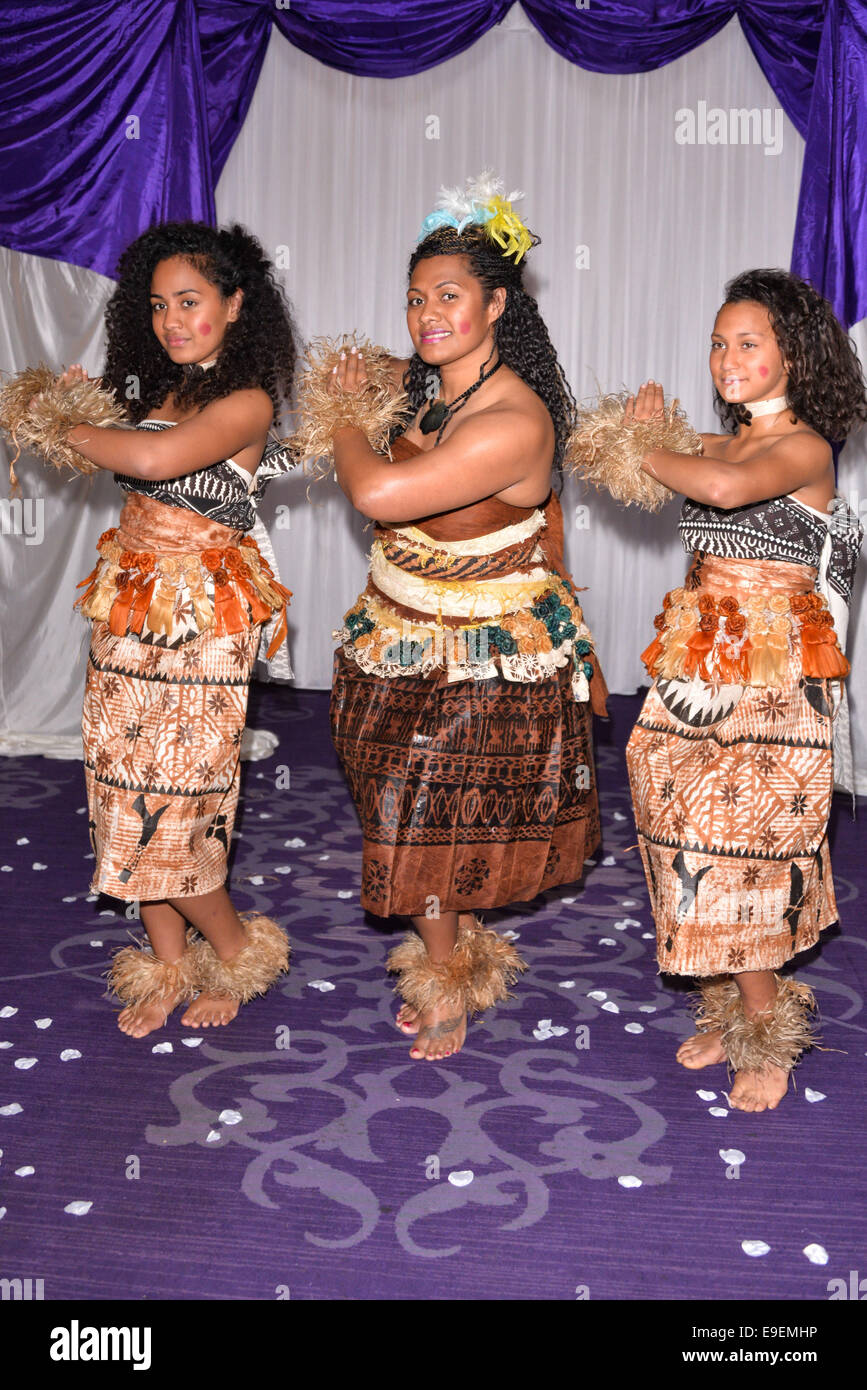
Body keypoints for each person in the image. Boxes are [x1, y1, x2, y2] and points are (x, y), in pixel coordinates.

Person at [317, 175, 607, 1062]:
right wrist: (364, 378)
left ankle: (444, 978)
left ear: (495, 304)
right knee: (404, 809)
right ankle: (461, 944)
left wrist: (340, 411)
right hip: (394, 630)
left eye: (449, 296)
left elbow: (375, 487)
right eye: (415, 297)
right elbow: (378, 378)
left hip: (483, 661)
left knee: (420, 825)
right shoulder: (423, 385)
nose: (427, 313)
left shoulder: (512, 418)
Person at [23, 222, 296, 1037]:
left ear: (234, 304)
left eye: (191, 302)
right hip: (128, 612)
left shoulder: (247, 400)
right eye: (158, 305)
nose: (173, 320)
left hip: (203, 625)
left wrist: (55, 423)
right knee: (121, 794)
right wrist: (77, 407)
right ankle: (168, 961)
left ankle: (236, 949)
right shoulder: (155, 391)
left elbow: (151, 462)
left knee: (179, 802)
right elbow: (131, 453)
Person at [622, 268, 866, 1111]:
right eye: (719, 343)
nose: (726, 358)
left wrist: (634, 442)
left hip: (771, 679)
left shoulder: (802, 447)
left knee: (744, 849)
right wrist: (658, 442)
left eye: (747, 343)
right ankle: (734, 1002)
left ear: (792, 354)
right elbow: (699, 502)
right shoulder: (718, 441)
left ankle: (767, 1033)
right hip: (699, 663)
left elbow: (721, 491)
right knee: (678, 832)